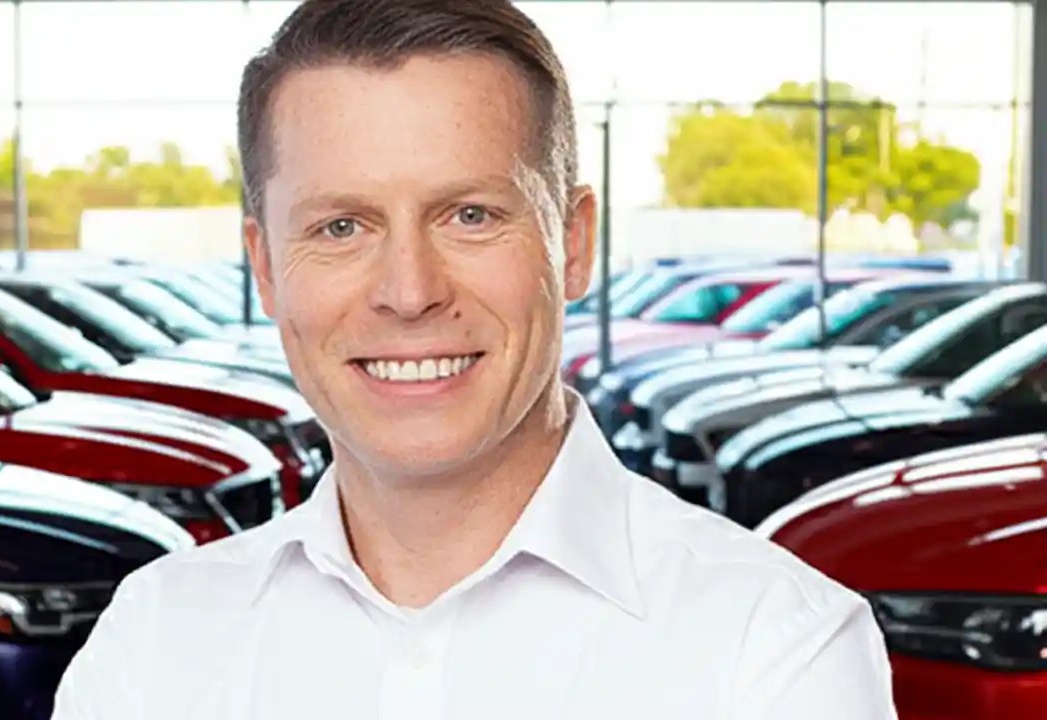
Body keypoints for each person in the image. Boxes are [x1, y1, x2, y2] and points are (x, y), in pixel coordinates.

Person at [51, 1, 898, 717]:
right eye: (340, 227)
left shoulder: (777, 649)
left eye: (469, 215)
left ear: (573, 244)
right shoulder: (153, 645)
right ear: (266, 267)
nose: (409, 291)